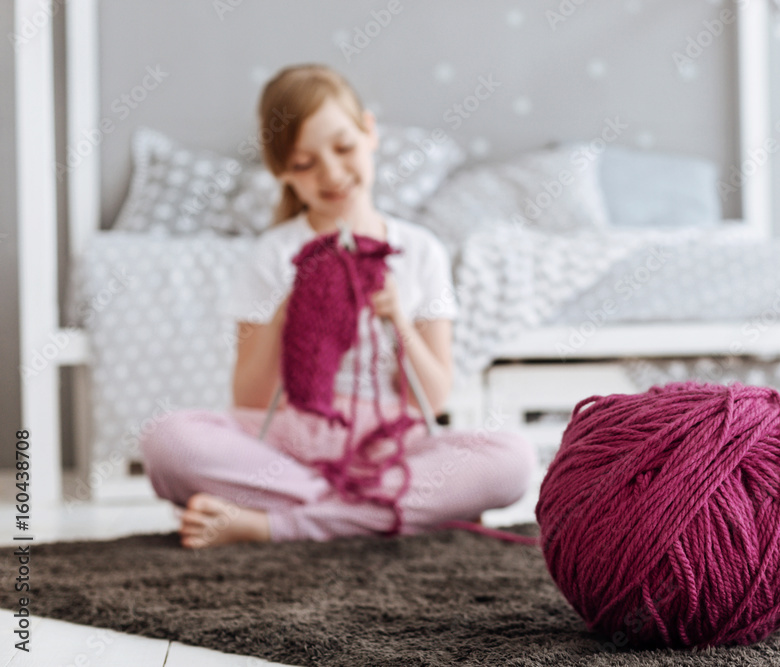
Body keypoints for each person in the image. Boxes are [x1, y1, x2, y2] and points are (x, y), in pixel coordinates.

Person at [139, 64, 535, 548]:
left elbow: (431, 400)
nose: (331, 173)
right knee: (167, 440)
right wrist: (291, 308)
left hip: (390, 448)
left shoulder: (420, 251)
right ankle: (377, 512)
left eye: (343, 148)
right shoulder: (273, 254)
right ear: (282, 171)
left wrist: (398, 320)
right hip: (285, 445)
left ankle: (275, 524)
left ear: (369, 132)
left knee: (512, 459)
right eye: (305, 164)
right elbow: (250, 400)